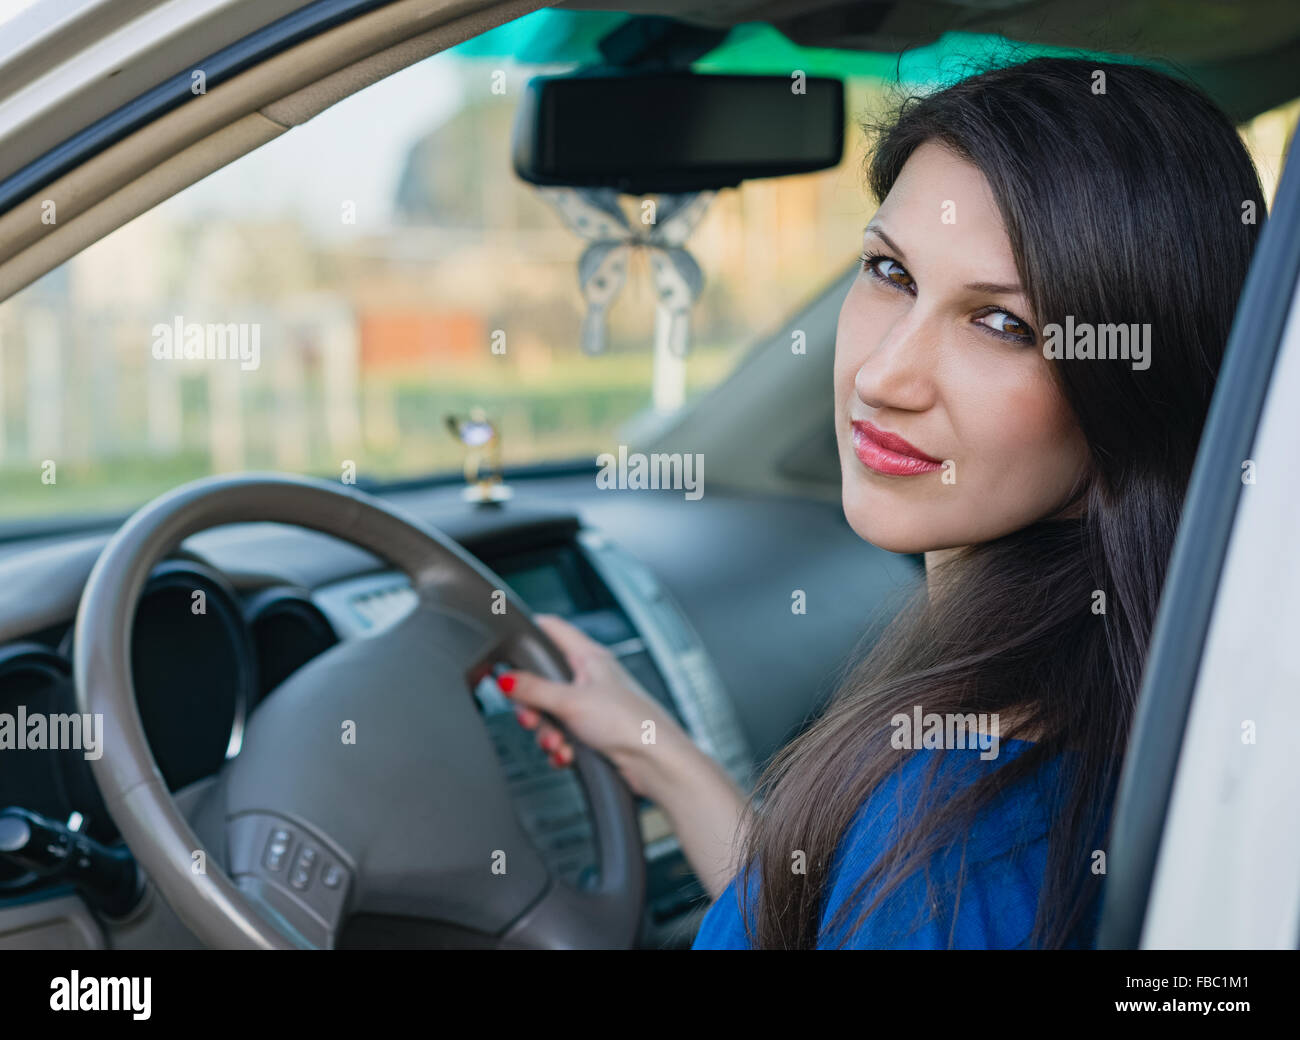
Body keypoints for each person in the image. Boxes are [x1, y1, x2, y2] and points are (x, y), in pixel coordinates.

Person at [494, 56, 1267, 949]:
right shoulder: (1139, 694)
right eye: (890, 273)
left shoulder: (954, 832)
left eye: (1002, 324)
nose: (882, 374)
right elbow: (814, 915)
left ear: (1136, 384)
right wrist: (652, 750)